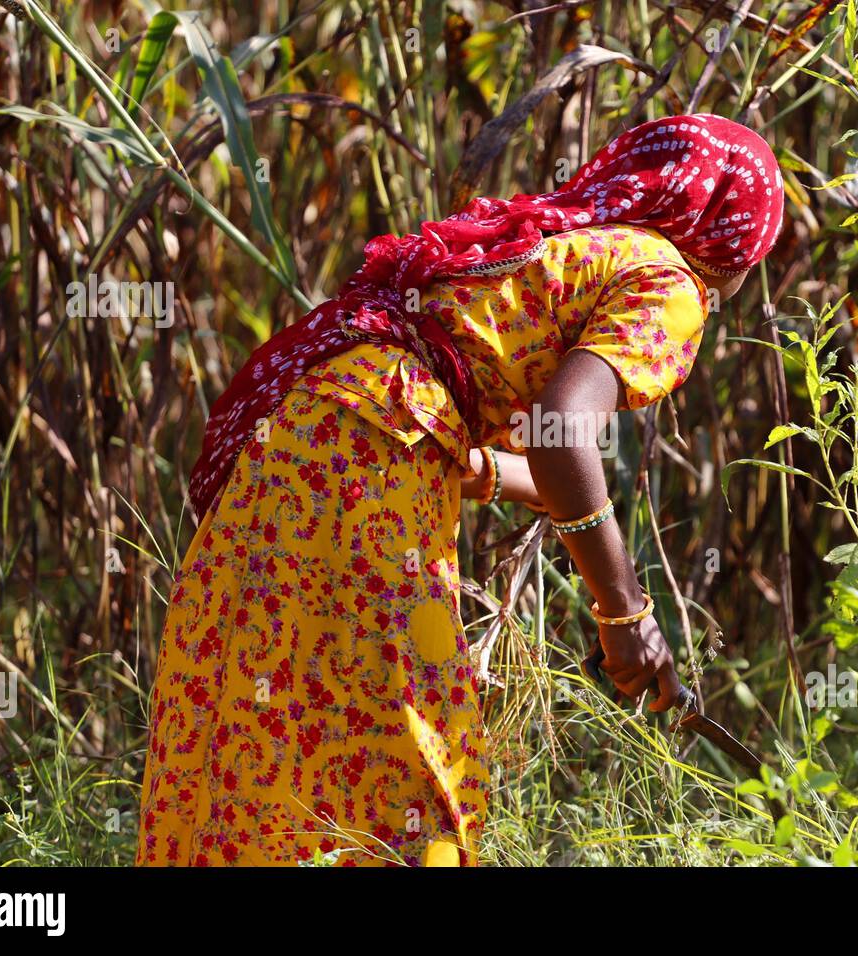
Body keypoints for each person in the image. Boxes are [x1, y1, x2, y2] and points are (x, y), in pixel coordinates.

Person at [136, 113, 785, 866]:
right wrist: (623, 613)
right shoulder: (670, 283)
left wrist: (535, 488)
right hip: (372, 466)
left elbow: (514, 449)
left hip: (297, 441)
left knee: (261, 730)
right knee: (414, 759)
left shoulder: (559, 239)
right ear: (735, 234)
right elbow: (561, 430)